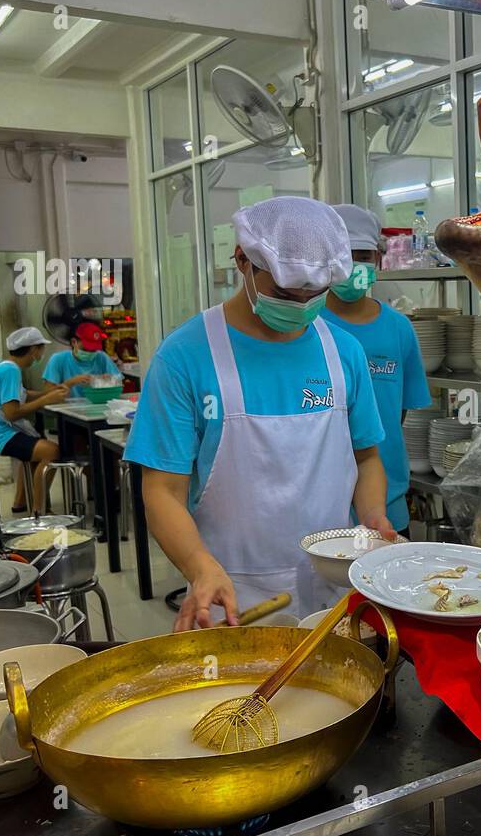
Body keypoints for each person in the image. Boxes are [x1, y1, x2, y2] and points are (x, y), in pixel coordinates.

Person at [126, 197, 393, 631]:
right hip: (228, 594)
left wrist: (374, 517)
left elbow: (366, 458)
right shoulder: (185, 356)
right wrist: (199, 567)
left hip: (335, 589)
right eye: (287, 294)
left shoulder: (343, 352)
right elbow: (162, 491)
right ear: (242, 263)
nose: (302, 307)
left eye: (315, 295)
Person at [323, 204, 432, 535]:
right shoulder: (308, 328)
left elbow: (397, 413)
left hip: (388, 503)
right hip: (322, 504)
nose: (355, 265)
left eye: (364, 255)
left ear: (379, 259)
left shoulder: (399, 329)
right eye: (346, 255)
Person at [0, 326, 68, 515]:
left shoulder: (0, 365)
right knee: (52, 451)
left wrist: (45, 393)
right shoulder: (11, 370)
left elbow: (20, 395)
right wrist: (45, 400)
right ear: (34, 350)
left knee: (36, 444)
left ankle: (20, 503)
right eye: (41, 348)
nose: (42, 352)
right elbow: (12, 412)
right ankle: (40, 512)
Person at [43, 321, 122, 400]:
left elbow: (118, 383)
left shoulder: (101, 357)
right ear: (74, 342)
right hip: (66, 407)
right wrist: (71, 382)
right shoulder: (58, 359)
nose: (90, 353)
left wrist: (109, 381)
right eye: (86, 349)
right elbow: (46, 393)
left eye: (94, 350)